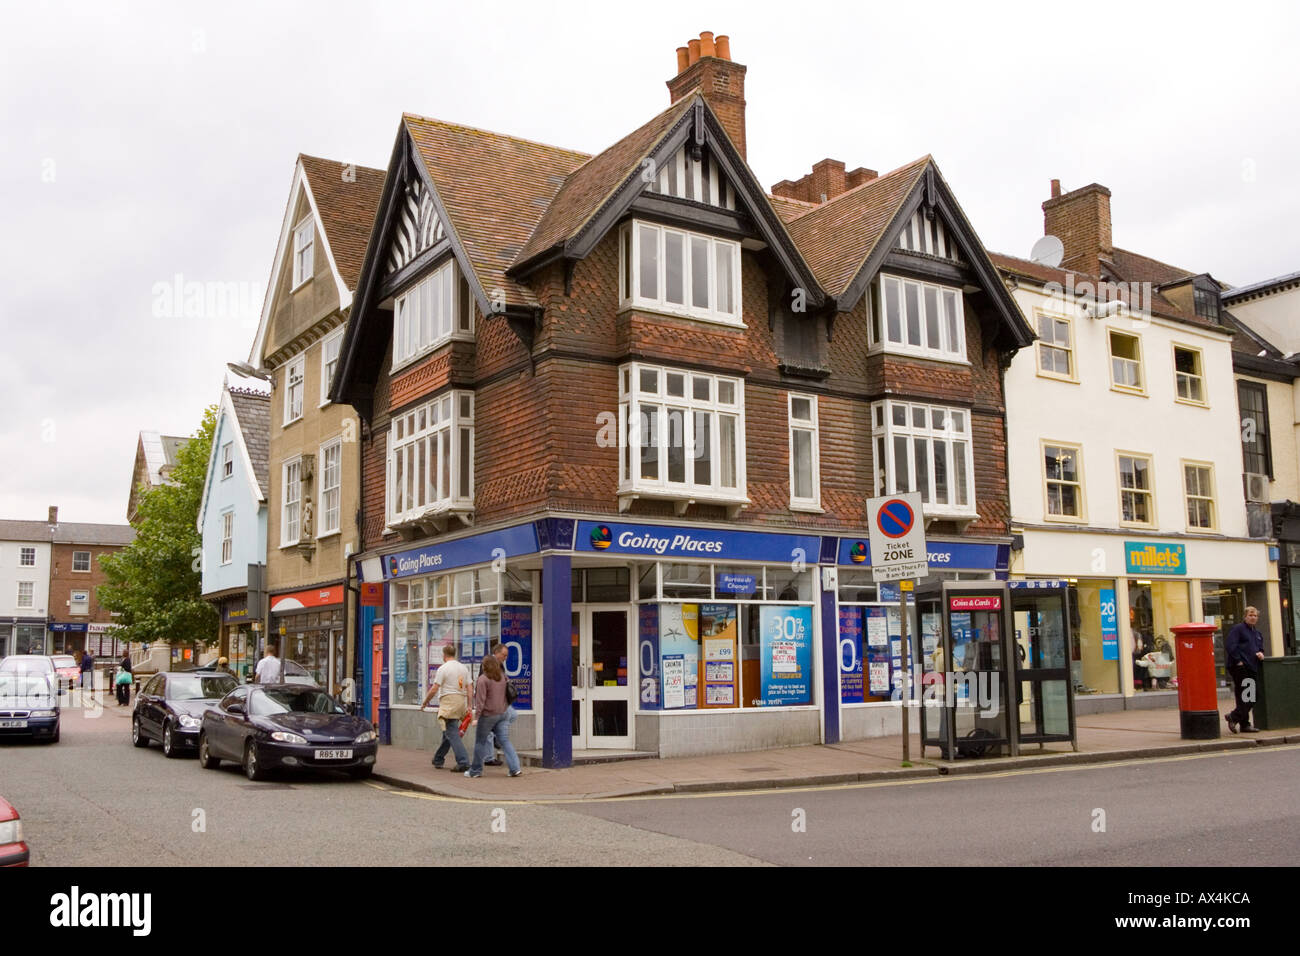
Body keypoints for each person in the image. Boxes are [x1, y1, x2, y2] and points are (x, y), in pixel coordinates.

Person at [465, 654, 521, 778]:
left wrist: (476, 718)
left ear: (484, 666)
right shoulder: (502, 677)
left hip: (488, 715)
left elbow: (480, 701)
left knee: (480, 742)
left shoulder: (483, 679)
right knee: (505, 741)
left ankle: (475, 771)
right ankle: (515, 768)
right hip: (503, 713)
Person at [420, 645, 471, 772]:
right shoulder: (463, 668)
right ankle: (438, 758)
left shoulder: (443, 668)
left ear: (444, 655)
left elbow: (435, 688)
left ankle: (463, 761)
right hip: (461, 701)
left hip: (449, 702)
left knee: (452, 732)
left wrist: (425, 702)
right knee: (448, 732)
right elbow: (470, 688)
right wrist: (470, 705)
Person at [1225, 606, 1266, 733]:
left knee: (1245, 696)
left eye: (1255, 616)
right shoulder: (1238, 629)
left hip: (1252, 666)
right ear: (1245, 616)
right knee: (1252, 695)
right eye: (1250, 615)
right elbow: (1230, 645)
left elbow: (1259, 648)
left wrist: (1261, 653)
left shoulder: (1257, 634)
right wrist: (1238, 661)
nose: (1253, 618)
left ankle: (1244, 724)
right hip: (1240, 667)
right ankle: (1234, 716)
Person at [483, 642, 515, 767]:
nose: (505, 658)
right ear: (496, 653)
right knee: (489, 730)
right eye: (504, 655)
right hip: (492, 701)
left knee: (512, 715)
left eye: (506, 656)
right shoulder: (490, 663)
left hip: (499, 700)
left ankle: (489, 755)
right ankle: (488, 758)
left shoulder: (499, 664)